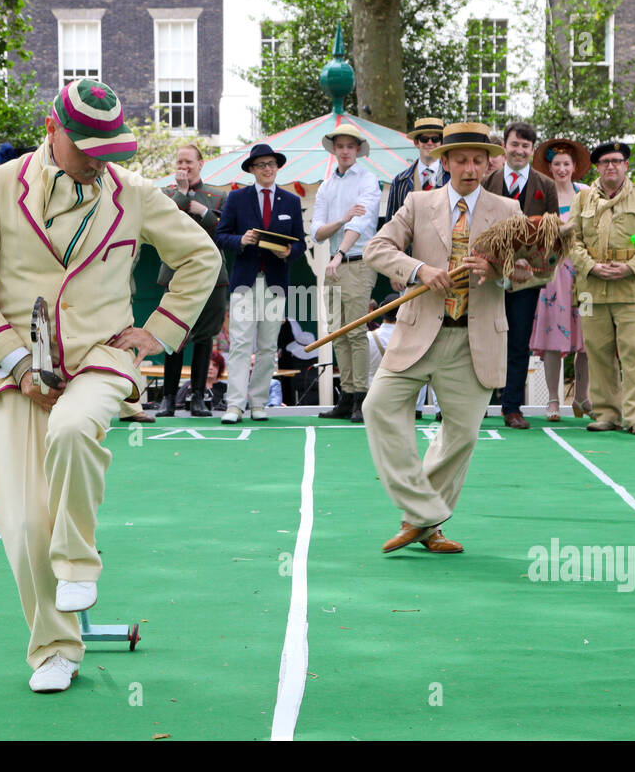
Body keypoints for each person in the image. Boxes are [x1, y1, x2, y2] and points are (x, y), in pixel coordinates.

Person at [0, 77, 221, 693]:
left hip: (102, 355)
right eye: (89, 147)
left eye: (111, 149)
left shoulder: (137, 192)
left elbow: (202, 257)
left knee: (73, 428)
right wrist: (17, 363)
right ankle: (54, 648)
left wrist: (161, 330)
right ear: (53, 130)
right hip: (13, 366)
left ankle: (77, 564)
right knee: (19, 525)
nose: (102, 161)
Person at [362, 123, 533, 555]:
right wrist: (420, 271)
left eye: (478, 159)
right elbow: (376, 249)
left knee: (463, 435)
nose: (470, 168)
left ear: (489, 162)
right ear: (445, 162)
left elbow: (533, 273)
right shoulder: (417, 203)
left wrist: (500, 273)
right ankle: (424, 513)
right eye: (461, 160)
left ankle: (422, 524)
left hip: (476, 340)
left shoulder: (508, 211)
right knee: (377, 406)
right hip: (419, 332)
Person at [568, 141, 635, 435]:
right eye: (606, 161)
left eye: (617, 161)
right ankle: (607, 412)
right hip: (589, 287)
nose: (612, 166)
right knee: (597, 351)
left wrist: (630, 267)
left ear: (626, 165)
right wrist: (591, 266)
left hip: (631, 287)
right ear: (597, 166)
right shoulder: (582, 200)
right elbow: (572, 241)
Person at [213, 142, 306, 424]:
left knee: (267, 346)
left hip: (276, 282)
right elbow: (221, 235)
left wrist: (290, 251)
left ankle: (258, 402)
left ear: (278, 167)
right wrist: (241, 240)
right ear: (252, 170)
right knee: (241, 344)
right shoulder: (237, 199)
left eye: (271, 164)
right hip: (245, 282)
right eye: (261, 165)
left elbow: (301, 242)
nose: (267, 169)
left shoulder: (290, 201)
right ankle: (234, 405)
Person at [483, 122, 559, 429]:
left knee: (518, 342)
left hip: (527, 279)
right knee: (484, 338)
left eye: (526, 146)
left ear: (532, 150)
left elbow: (553, 234)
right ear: (505, 145)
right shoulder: (487, 182)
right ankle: (477, 404)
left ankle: (511, 406)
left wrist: (535, 264)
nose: (519, 150)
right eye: (515, 144)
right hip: (489, 276)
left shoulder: (546, 185)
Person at [312, 124, 381, 422]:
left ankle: (361, 398)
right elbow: (317, 231)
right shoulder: (327, 185)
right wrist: (341, 219)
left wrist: (338, 253)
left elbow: (361, 223)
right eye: (339, 146)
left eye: (350, 146)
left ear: (357, 150)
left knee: (355, 333)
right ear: (334, 150)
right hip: (335, 263)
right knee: (337, 333)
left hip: (357, 262)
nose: (344, 151)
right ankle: (347, 396)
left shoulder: (368, 180)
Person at [155, 144, 227, 418]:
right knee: (172, 335)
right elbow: (165, 225)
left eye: (189, 162)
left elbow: (223, 233)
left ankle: (198, 397)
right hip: (176, 273)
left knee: (205, 336)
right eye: (179, 162)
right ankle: (168, 398)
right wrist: (183, 195)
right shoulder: (166, 195)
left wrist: (205, 212)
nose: (184, 166)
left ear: (200, 163)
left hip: (212, 276)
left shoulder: (218, 196)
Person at [528, 138, 592, 421]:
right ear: (549, 167)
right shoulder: (543, 194)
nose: (562, 169)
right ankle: (553, 400)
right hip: (554, 274)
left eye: (567, 164)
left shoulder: (588, 193)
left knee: (590, 337)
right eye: (557, 164)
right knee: (553, 337)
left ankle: (582, 396)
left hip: (586, 273)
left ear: (574, 167)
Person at [384, 117, 446, 224]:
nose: (430, 143)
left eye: (435, 139)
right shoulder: (400, 181)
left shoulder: (452, 178)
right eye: (424, 139)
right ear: (416, 142)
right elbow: (390, 223)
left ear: (441, 142)